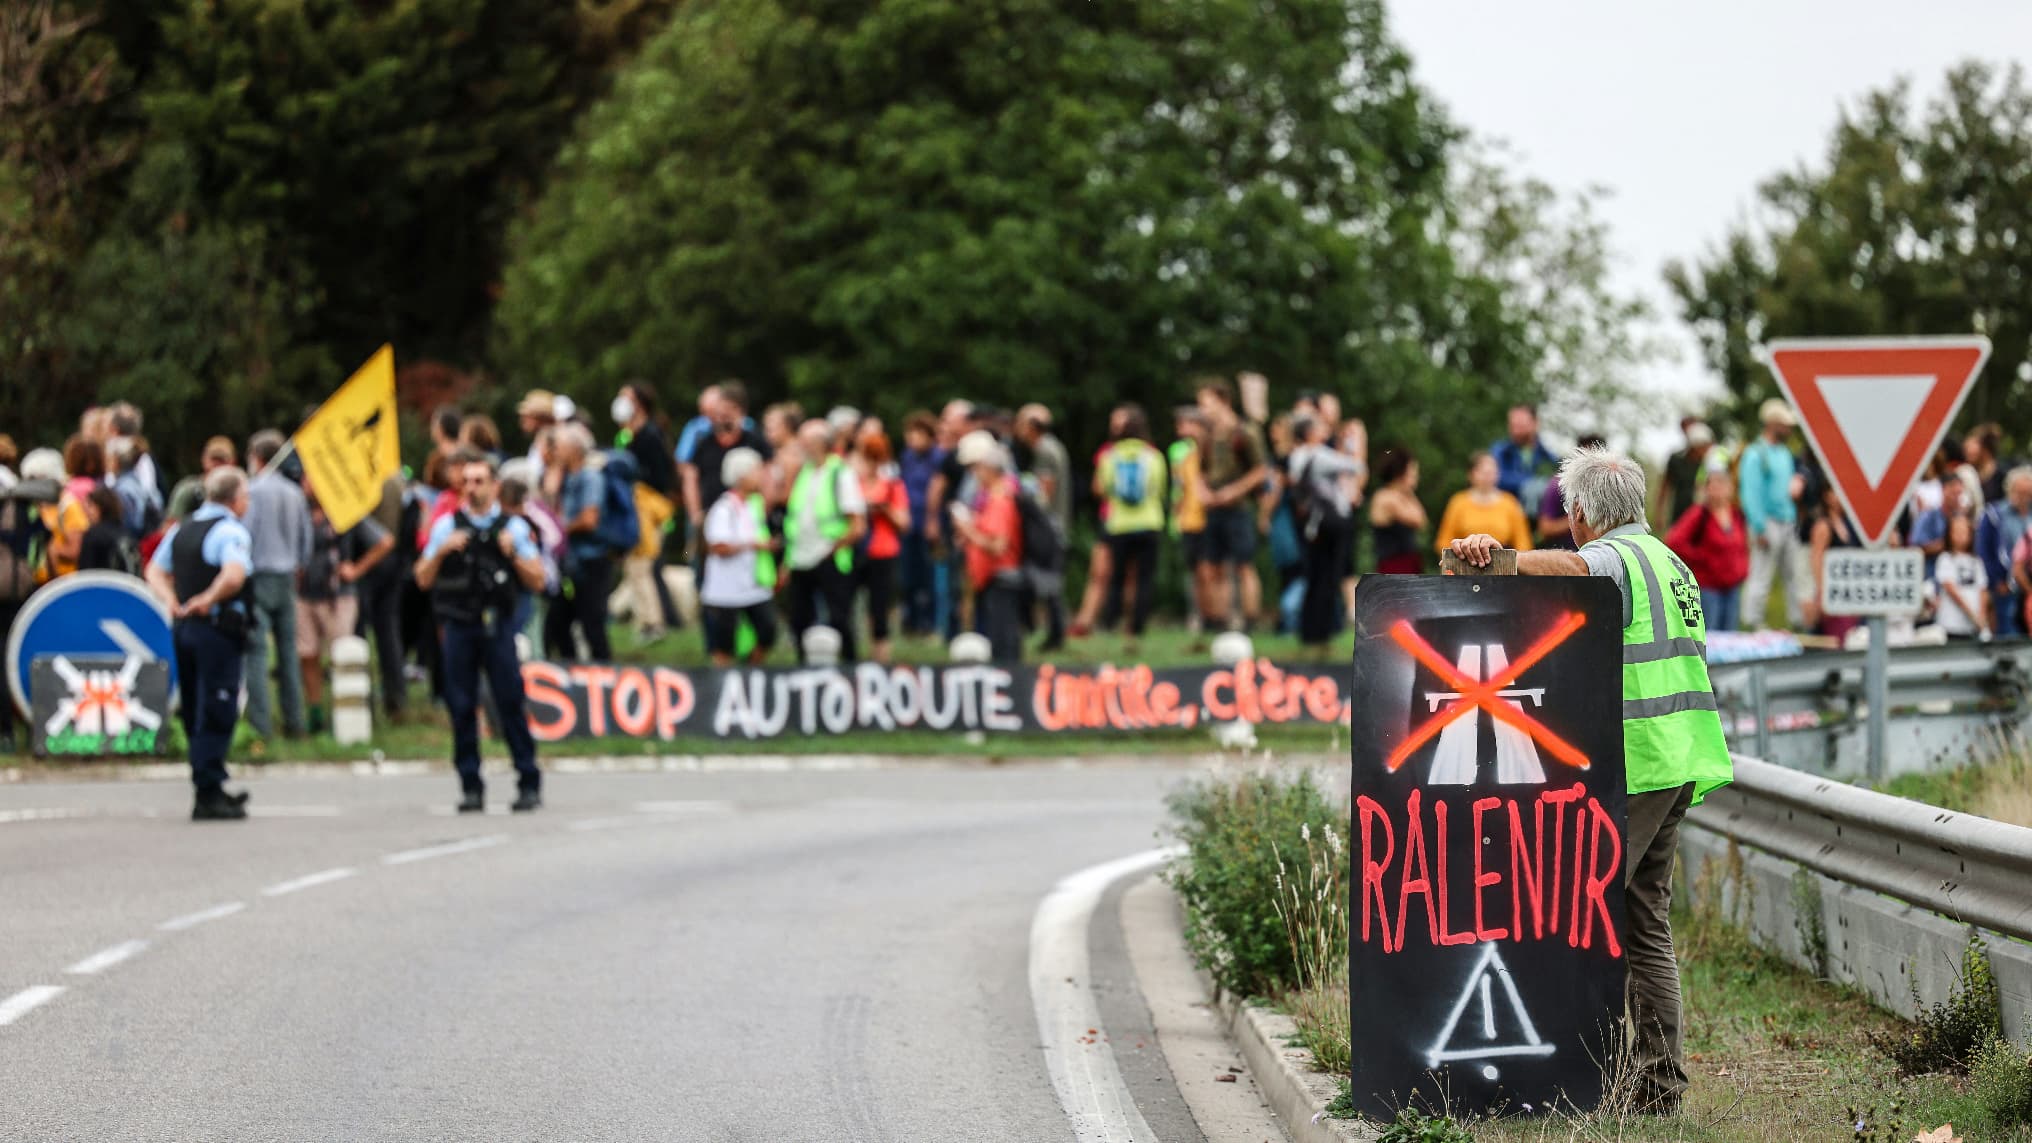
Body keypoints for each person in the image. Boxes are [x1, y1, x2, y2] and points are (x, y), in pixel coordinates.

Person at [1447, 447, 1731, 1116]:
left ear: (1579, 511)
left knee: (1576, 911)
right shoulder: (1671, 562)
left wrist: (1502, 559)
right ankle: (1657, 1089)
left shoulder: (1616, 558)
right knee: (1643, 922)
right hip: (1679, 757)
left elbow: (1579, 568)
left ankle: (1555, 1077)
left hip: (1640, 762)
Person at [415, 455, 546, 813]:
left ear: (494, 486)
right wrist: (442, 550)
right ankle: (470, 784)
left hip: (497, 625)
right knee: (461, 705)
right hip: (460, 625)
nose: (471, 488)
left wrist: (512, 553)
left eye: (479, 481)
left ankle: (528, 779)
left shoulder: (513, 528)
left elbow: (538, 579)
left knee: (510, 702)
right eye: (466, 482)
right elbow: (422, 577)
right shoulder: (447, 526)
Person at [144, 466, 257, 821]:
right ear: (236, 499)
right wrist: (208, 598)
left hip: (184, 629)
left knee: (194, 707)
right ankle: (208, 788)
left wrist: (172, 600)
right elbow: (234, 575)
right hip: (216, 628)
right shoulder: (229, 531)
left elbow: (154, 571)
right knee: (218, 705)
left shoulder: (182, 529)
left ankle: (208, 784)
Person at [296, 496, 393, 731]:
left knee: (342, 655)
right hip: (305, 594)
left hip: (337, 596)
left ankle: (348, 713)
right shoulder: (299, 511)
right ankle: (315, 713)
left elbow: (385, 541)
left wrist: (357, 569)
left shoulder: (345, 510)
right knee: (307, 654)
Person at [243, 430, 312, 740]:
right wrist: (298, 565)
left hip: (259, 575)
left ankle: (261, 726)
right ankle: (295, 722)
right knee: (288, 653)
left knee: (257, 652)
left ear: (257, 458)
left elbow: (246, 533)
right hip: (288, 576)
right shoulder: (294, 493)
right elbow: (305, 539)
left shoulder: (253, 491)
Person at [782, 418, 866, 662]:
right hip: (800, 557)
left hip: (829, 555)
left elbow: (857, 524)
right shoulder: (805, 473)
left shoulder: (840, 473)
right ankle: (803, 667)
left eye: (805, 441)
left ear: (820, 443)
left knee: (839, 618)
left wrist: (834, 547)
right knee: (800, 619)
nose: (800, 446)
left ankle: (849, 666)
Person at [1195, 378, 1269, 632]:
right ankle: (1220, 622)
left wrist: (1233, 491)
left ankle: (1250, 621)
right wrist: (1203, 492)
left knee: (1244, 565)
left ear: (1223, 401)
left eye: (1206, 403)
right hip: (1213, 508)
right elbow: (1201, 471)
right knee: (1214, 566)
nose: (1203, 409)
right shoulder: (1207, 436)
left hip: (1238, 508)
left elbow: (1261, 470)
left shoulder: (1244, 432)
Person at [1286, 414, 1361, 650]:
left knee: (1313, 576)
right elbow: (1355, 466)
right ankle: (1324, 633)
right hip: (1331, 523)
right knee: (1329, 577)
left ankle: (1309, 632)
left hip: (1311, 524)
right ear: (1309, 432)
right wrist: (1355, 444)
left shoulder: (1296, 456)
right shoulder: (1319, 455)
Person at [1094, 405, 1167, 646]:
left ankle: (1111, 621)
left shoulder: (1110, 455)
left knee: (1117, 577)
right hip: (1149, 522)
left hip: (1119, 524)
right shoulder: (1153, 456)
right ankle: (1138, 624)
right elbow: (1159, 488)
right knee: (1144, 578)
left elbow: (1103, 489)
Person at [700, 448, 781, 666]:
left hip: (753, 587)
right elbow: (718, 546)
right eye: (756, 471)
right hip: (725, 591)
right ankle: (721, 679)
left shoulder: (753, 506)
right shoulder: (724, 509)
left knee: (767, 630)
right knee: (723, 642)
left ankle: (750, 669)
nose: (761, 476)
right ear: (741, 476)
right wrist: (754, 545)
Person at [612, 381, 679, 640]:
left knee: (640, 567)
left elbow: (660, 478)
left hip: (649, 511)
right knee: (635, 568)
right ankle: (644, 621)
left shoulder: (650, 435)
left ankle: (653, 623)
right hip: (637, 510)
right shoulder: (630, 434)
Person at [951, 430, 1024, 661]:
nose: (974, 474)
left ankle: (1010, 678)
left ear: (990, 470)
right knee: (999, 637)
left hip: (1001, 576)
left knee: (1004, 641)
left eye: (977, 468)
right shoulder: (991, 496)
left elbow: (998, 546)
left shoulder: (1000, 500)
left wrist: (967, 530)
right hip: (992, 577)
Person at [550, 424, 616, 663]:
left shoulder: (590, 477)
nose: (555, 451)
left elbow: (590, 519)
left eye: (559, 446)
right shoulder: (568, 477)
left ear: (574, 448)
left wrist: (560, 529)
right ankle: (572, 668)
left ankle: (604, 671)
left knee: (592, 622)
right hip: (572, 561)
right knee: (559, 620)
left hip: (592, 560)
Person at [1738, 399, 1803, 630]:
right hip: (1767, 522)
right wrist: (1758, 527)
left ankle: (1798, 620)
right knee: (1761, 574)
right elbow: (1750, 492)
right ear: (1773, 423)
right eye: (1785, 424)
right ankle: (1753, 622)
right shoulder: (1756, 454)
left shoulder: (1785, 454)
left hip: (1788, 521)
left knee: (1793, 575)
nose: (1789, 428)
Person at [1014, 404, 1071, 651]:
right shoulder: (1053, 447)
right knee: (1050, 581)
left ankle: (1056, 634)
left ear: (1032, 427)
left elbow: (1044, 494)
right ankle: (1053, 632)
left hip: (1050, 525)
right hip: (1055, 523)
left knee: (1049, 582)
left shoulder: (1045, 450)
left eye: (1021, 424)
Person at [1665, 469, 1751, 633]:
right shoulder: (1699, 514)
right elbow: (1674, 541)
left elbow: (1743, 546)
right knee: (1710, 635)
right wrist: (1700, 558)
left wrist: (1743, 570)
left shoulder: (1736, 515)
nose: (1718, 488)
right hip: (1708, 589)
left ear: (1730, 488)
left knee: (1730, 636)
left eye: (1722, 483)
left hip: (1732, 588)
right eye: (1713, 484)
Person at [853, 426, 909, 664]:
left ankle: (881, 659)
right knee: (848, 606)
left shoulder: (893, 485)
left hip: (883, 551)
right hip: (855, 549)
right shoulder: (852, 482)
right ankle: (854, 655)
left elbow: (904, 522)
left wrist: (884, 509)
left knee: (879, 608)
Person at [898, 411, 945, 638]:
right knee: (909, 575)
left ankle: (930, 622)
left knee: (929, 575)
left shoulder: (938, 458)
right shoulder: (907, 457)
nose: (911, 439)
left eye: (916, 434)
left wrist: (932, 520)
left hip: (928, 522)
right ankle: (911, 620)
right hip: (908, 522)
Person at [1434, 451, 1533, 554]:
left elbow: (1523, 542)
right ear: (1471, 474)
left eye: (1491, 472)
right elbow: (1444, 541)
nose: (1487, 477)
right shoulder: (1458, 502)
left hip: (1503, 559)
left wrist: (1518, 561)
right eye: (1483, 472)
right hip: (1465, 558)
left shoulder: (1510, 503)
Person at [1803, 483, 1862, 642]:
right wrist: (1823, 592)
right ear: (1827, 496)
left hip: (1848, 593)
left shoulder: (1849, 524)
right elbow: (1816, 558)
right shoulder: (1824, 526)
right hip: (1831, 592)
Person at [37, 434, 100, 583]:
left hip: (66, 577)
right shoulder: (100, 486)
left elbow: (75, 545)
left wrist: (52, 550)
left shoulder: (70, 495)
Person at [1169, 409, 1209, 635]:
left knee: (1210, 570)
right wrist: (1176, 513)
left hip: (1207, 518)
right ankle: (1196, 615)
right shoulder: (1180, 452)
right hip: (1188, 519)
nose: (1181, 430)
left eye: (1185, 424)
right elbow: (1179, 486)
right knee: (1193, 571)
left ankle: (1214, 616)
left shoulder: (1211, 449)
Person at [1979, 467, 2032, 636]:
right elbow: (1984, 550)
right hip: (2006, 584)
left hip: (2028, 584)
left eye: (2028, 494)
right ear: (2010, 490)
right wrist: (1996, 580)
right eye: (2020, 492)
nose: (2024, 498)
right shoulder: (1995, 514)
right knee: (2008, 631)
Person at [1538, 435, 1607, 551]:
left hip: (1599, 554)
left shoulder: (1608, 488)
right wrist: (1579, 519)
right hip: (1564, 553)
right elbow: (1545, 528)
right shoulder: (1559, 486)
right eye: (1586, 458)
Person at [1368, 447, 1426, 574]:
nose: (1416, 476)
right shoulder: (1386, 497)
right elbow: (1418, 520)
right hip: (1394, 565)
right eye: (1412, 472)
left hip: (1407, 564)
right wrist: (1408, 491)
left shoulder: (1400, 496)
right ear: (1401, 473)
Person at [1932, 515, 1990, 640]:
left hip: (1973, 627)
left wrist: (1981, 616)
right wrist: (1972, 615)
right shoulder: (1945, 559)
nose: (1960, 535)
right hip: (1951, 625)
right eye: (1956, 531)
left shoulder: (1976, 561)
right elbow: (1951, 589)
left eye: (1964, 531)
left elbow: (1983, 589)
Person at [1490, 404, 1558, 509]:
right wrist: (1532, 482)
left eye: (1521, 426)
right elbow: (1496, 478)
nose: (1516, 431)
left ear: (1535, 423)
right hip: (1507, 510)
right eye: (1513, 426)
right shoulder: (1501, 451)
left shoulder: (1547, 453)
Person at [1655, 420, 1716, 526]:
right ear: (1695, 445)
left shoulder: (1707, 464)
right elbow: (1665, 488)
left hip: (1701, 518)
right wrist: (1659, 513)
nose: (1706, 450)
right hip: (1679, 516)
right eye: (1704, 447)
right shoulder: (1676, 460)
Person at [166, 437, 237, 522]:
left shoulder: (238, 492)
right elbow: (171, 523)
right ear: (204, 460)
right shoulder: (190, 490)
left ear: (232, 463)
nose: (216, 465)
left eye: (221, 461)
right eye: (213, 460)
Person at [108, 436, 162, 538]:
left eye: (109, 459)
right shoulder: (138, 483)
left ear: (116, 461)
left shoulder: (122, 490)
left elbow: (132, 524)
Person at [77, 486, 133, 573]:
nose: (87, 512)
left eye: (91, 506)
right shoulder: (126, 533)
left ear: (100, 508)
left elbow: (85, 572)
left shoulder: (93, 535)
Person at [1966, 423, 2008, 506]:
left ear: (1985, 449)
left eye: (1973, 445)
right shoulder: (1966, 473)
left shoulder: (2002, 477)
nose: (1968, 450)